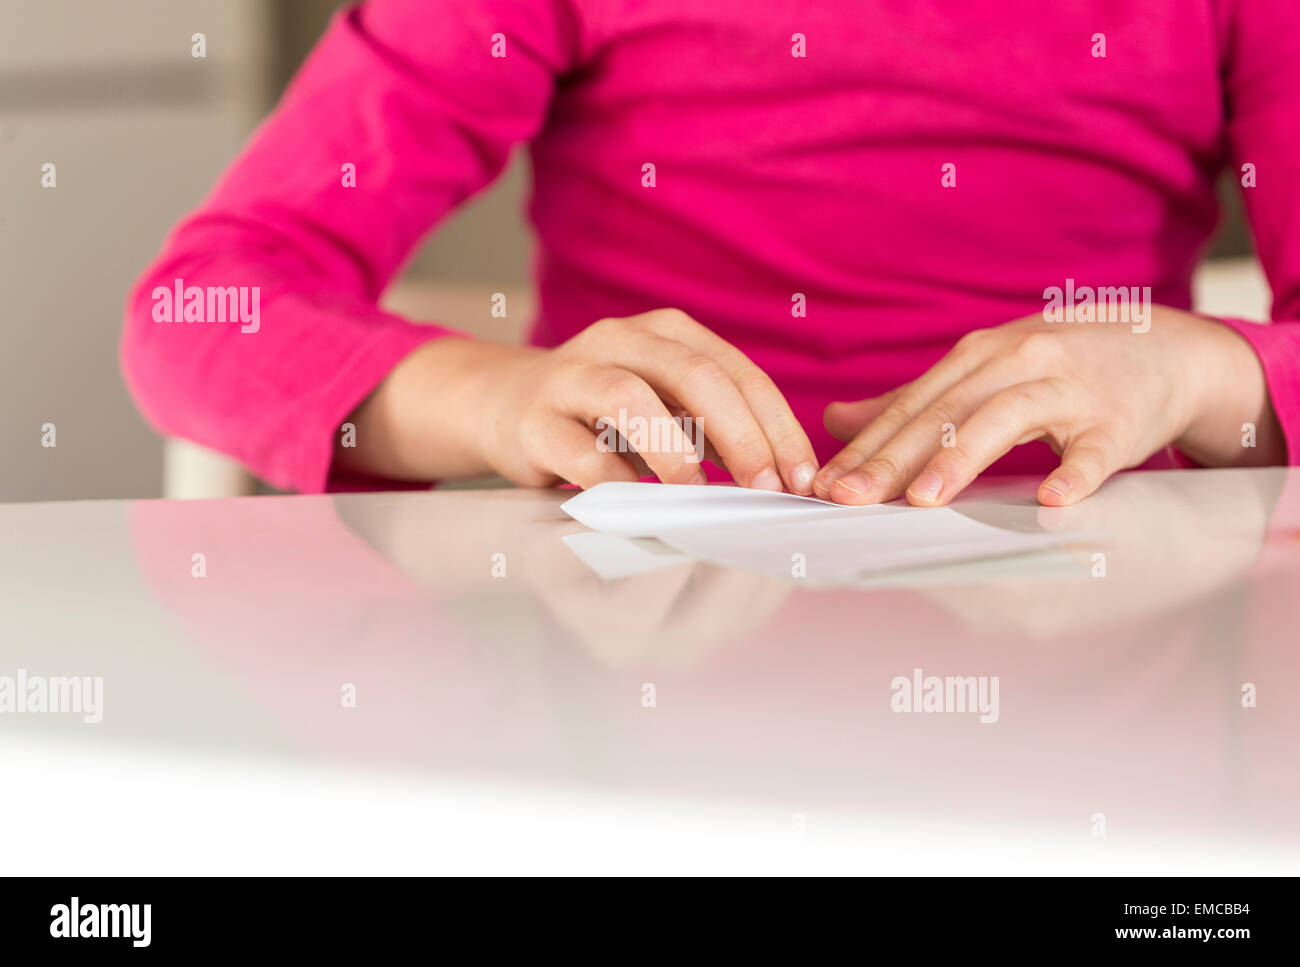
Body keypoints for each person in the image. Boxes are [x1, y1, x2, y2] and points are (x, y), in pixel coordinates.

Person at [121, 0, 1298, 507]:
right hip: (638, 668)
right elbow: (201, 305)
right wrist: (491, 396)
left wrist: (1206, 375)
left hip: (1126, 667)